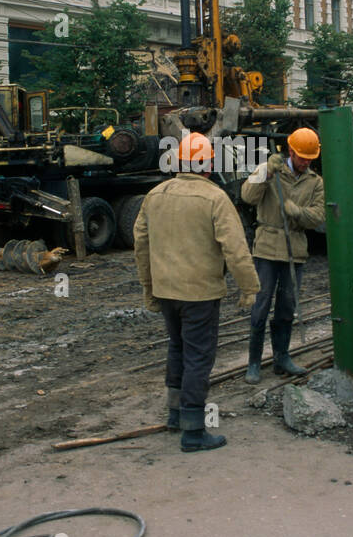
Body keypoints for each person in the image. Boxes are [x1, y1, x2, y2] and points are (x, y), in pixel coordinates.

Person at [135, 132, 260, 452]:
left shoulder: (155, 195)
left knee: (177, 348)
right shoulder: (215, 198)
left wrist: (149, 289)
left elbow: (141, 245)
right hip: (200, 293)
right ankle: (193, 431)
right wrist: (249, 288)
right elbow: (235, 248)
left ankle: (175, 413)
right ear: (208, 165)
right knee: (198, 357)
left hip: (167, 291)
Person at [239, 126, 326, 384]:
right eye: (302, 157)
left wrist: (297, 212)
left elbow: (319, 216)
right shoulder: (271, 172)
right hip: (267, 249)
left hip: (294, 251)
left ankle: (282, 358)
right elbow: (247, 195)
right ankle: (254, 362)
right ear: (290, 151)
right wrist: (265, 170)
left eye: (310, 158)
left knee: (287, 306)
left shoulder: (315, 182)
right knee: (260, 305)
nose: (306, 162)